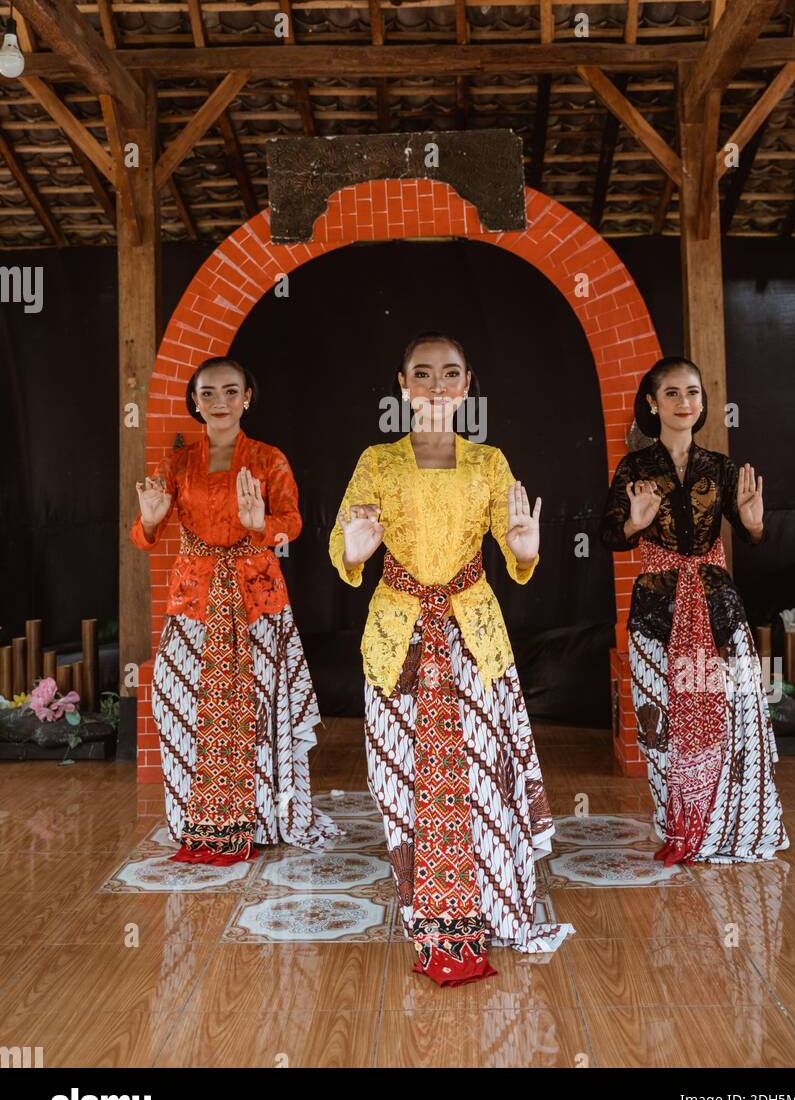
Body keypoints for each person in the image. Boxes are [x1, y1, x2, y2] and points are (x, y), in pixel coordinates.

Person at [328, 331, 574, 985]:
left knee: (479, 771)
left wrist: (524, 547)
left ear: (467, 386)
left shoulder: (488, 462)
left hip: (472, 632)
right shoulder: (376, 461)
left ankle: (489, 901)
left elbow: (518, 556)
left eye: (450, 374)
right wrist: (354, 550)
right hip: (396, 638)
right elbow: (341, 548)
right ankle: (424, 898)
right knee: (395, 776)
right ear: (402, 385)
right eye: (423, 374)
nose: (437, 386)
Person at [131, 356, 341, 864]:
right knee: (178, 697)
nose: (219, 402)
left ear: (247, 397)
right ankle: (196, 817)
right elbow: (141, 536)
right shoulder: (178, 463)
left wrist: (260, 524)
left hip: (257, 593)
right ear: (195, 402)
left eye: (230, 391)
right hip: (194, 596)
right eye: (208, 393)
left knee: (263, 702)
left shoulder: (269, 459)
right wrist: (152, 521)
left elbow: (292, 522)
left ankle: (264, 816)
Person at [600, 356, 789, 866]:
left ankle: (727, 830)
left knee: (727, 719)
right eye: (674, 394)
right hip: (658, 614)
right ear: (652, 403)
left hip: (716, 610)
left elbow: (755, 539)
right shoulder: (636, 469)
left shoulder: (721, 468)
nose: (686, 403)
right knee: (663, 724)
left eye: (694, 393)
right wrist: (635, 525)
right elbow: (609, 536)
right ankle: (679, 828)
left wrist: (751, 525)